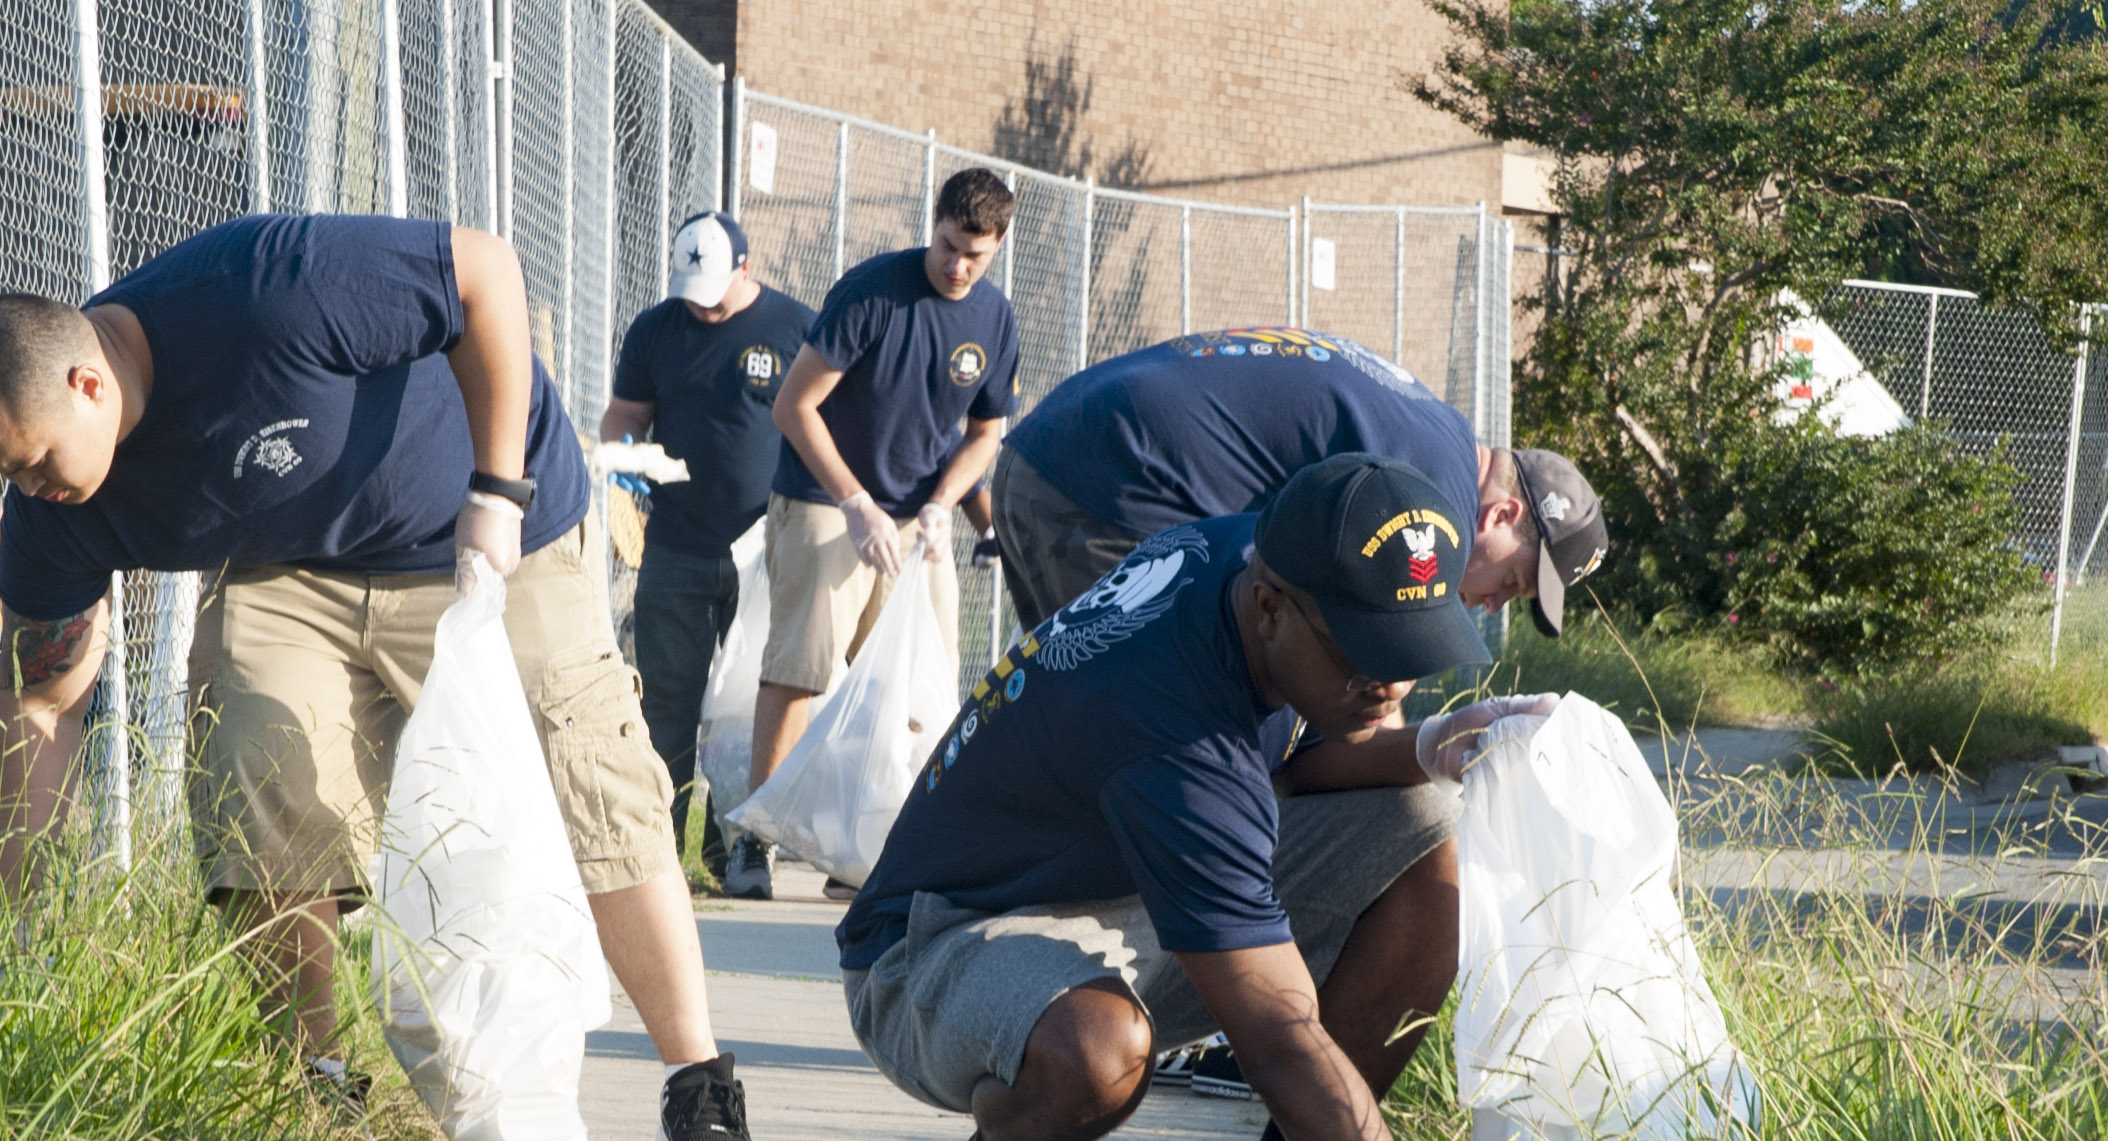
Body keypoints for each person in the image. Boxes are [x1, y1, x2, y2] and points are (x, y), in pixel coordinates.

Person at [0, 214, 764, 1141]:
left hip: (487, 524)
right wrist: (27, 925)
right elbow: (40, 704)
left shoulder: (268, 290)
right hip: (293, 569)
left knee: (588, 768)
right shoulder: (54, 509)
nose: (28, 487)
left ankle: (694, 1076)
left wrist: (496, 489)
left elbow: (484, 273)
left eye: (31, 460)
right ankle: (319, 1083)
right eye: (5, 475)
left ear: (87, 383)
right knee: (252, 762)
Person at [836, 453, 1551, 1141]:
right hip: (938, 942)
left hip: (1128, 872)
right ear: (1271, 610)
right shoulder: (1168, 727)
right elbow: (1282, 1042)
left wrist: (1429, 745)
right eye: (1369, 659)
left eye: (1409, 656)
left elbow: (1283, 773)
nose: (1395, 687)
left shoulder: (1254, 558)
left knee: (1425, 822)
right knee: (1097, 1056)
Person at [725, 168, 1020, 901]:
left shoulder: (995, 318)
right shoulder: (872, 292)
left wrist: (943, 503)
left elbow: (988, 434)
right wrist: (854, 503)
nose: (957, 266)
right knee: (802, 666)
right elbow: (794, 407)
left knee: (915, 685)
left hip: (917, 516)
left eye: (974, 256)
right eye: (949, 246)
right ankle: (754, 838)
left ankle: (868, 850)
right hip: (826, 499)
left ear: (998, 249)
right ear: (935, 225)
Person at [992, 325, 1609, 635]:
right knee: (1141, 739)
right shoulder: (1437, 503)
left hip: (1057, 445)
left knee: (1066, 713)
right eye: (1511, 581)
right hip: (1104, 487)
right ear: (1501, 515)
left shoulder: (1435, 430)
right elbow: (1373, 675)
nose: (1492, 605)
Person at [600, 211, 813, 880]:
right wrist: (627, 460)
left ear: (746, 271)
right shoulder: (656, 330)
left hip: (764, 548)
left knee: (748, 704)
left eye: (714, 289)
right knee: (668, 700)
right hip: (676, 544)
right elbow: (625, 414)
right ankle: (662, 852)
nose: (701, 305)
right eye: (690, 289)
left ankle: (742, 845)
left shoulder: (795, 328)